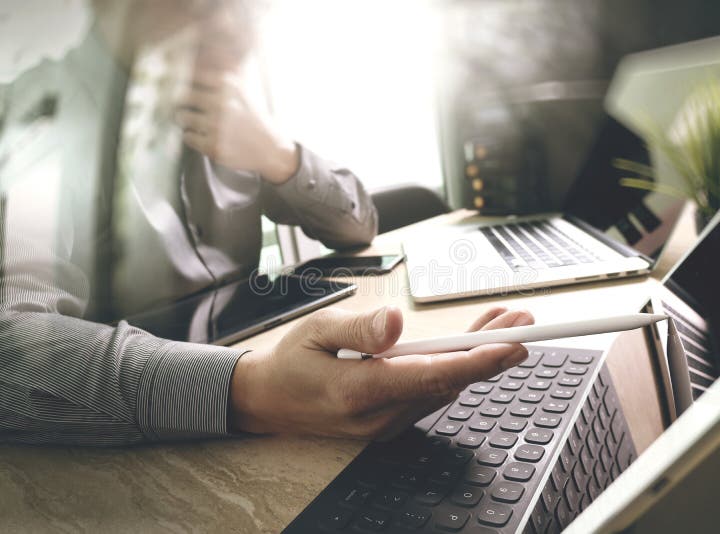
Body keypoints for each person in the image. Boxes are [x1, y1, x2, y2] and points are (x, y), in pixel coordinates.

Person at [0, 0, 535, 446]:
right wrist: (246, 392)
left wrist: (279, 155)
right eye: (204, 5)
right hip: (120, 452)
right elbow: (11, 348)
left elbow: (358, 225)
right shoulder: (30, 116)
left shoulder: (227, 99)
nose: (237, 30)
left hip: (261, 378)